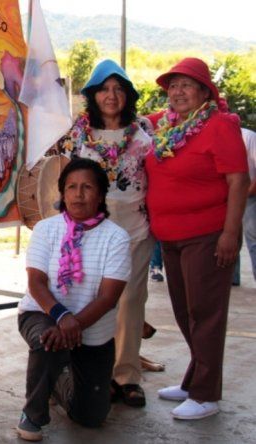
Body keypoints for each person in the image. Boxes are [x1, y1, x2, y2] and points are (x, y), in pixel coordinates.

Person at [145, 57, 249, 420]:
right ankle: (194, 380)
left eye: (187, 84)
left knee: (206, 313)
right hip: (168, 237)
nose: (177, 91)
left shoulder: (220, 125)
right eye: (172, 85)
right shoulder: (162, 126)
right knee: (184, 311)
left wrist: (230, 234)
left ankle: (206, 395)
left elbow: (238, 180)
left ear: (205, 91)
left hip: (206, 235)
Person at [58, 59, 154, 407]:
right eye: (104, 89)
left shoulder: (144, 129)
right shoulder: (78, 133)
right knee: (88, 301)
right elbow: (63, 179)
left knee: (130, 302)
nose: (111, 96)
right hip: (90, 233)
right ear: (92, 95)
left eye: (118, 89)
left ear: (128, 95)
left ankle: (126, 375)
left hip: (136, 230)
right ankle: (86, 373)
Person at [16, 158, 131, 441]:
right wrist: (62, 317)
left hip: (94, 328)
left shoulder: (116, 238)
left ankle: (57, 381)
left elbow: (108, 298)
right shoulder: (46, 229)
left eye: (87, 187)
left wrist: (73, 323)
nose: (78, 194)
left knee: (91, 417)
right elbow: (36, 282)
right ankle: (33, 413)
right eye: (71, 187)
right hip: (43, 313)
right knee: (49, 340)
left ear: (101, 195)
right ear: (63, 193)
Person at [243, 127, 256, 282]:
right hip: (223, 198)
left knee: (253, 239)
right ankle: (232, 278)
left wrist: (248, 193)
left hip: (249, 196)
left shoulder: (248, 136)